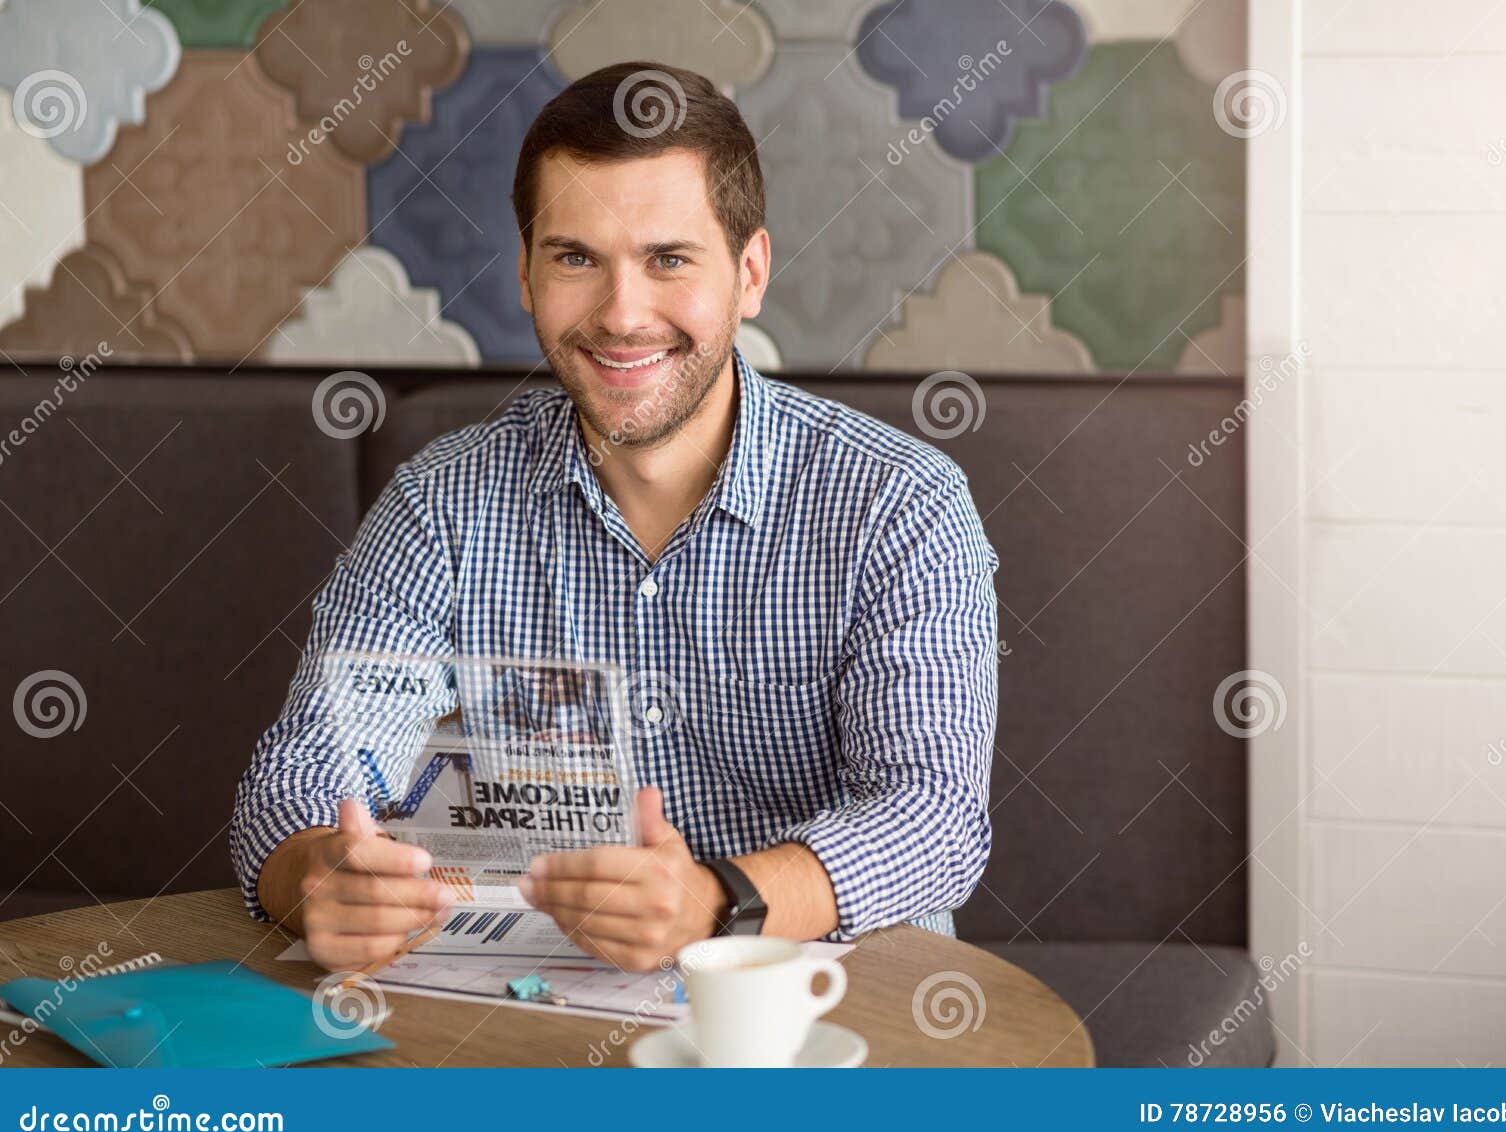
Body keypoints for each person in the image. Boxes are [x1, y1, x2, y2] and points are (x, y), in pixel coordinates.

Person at [228, 60, 999, 973]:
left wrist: (718, 900)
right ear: (524, 274)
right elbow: (306, 774)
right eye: (575, 258)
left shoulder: (900, 506)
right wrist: (320, 875)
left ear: (749, 273)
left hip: (826, 1026)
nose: (622, 313)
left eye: (668, 259)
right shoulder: (439, 507)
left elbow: (933, 819)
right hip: (529, 1023)